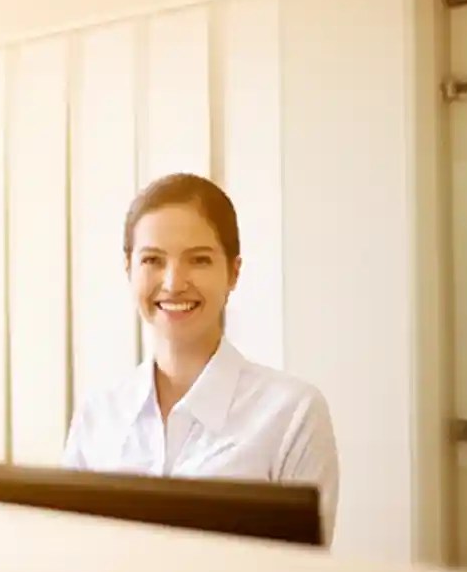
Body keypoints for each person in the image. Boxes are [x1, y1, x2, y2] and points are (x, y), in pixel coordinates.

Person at [61, 173, 340, 545]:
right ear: (129, 269)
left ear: (233, 272)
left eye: (199, 260)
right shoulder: (98, 414)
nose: (174, 282)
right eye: (153, 260)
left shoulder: (293, 413)